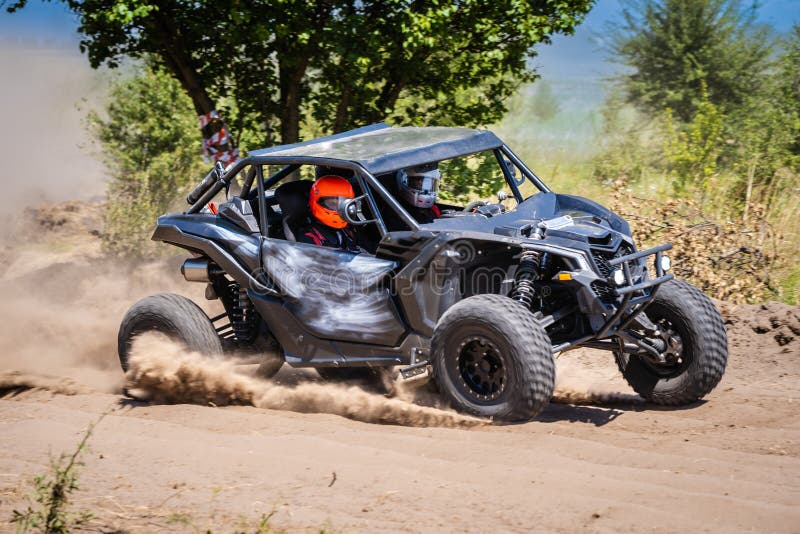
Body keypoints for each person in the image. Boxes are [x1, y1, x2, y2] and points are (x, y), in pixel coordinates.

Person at [296, 175, 365, 252]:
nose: (338, 208)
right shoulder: (308, 237)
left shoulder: (348, 230)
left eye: (342, 203)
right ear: (319, 202)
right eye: (332, 204)